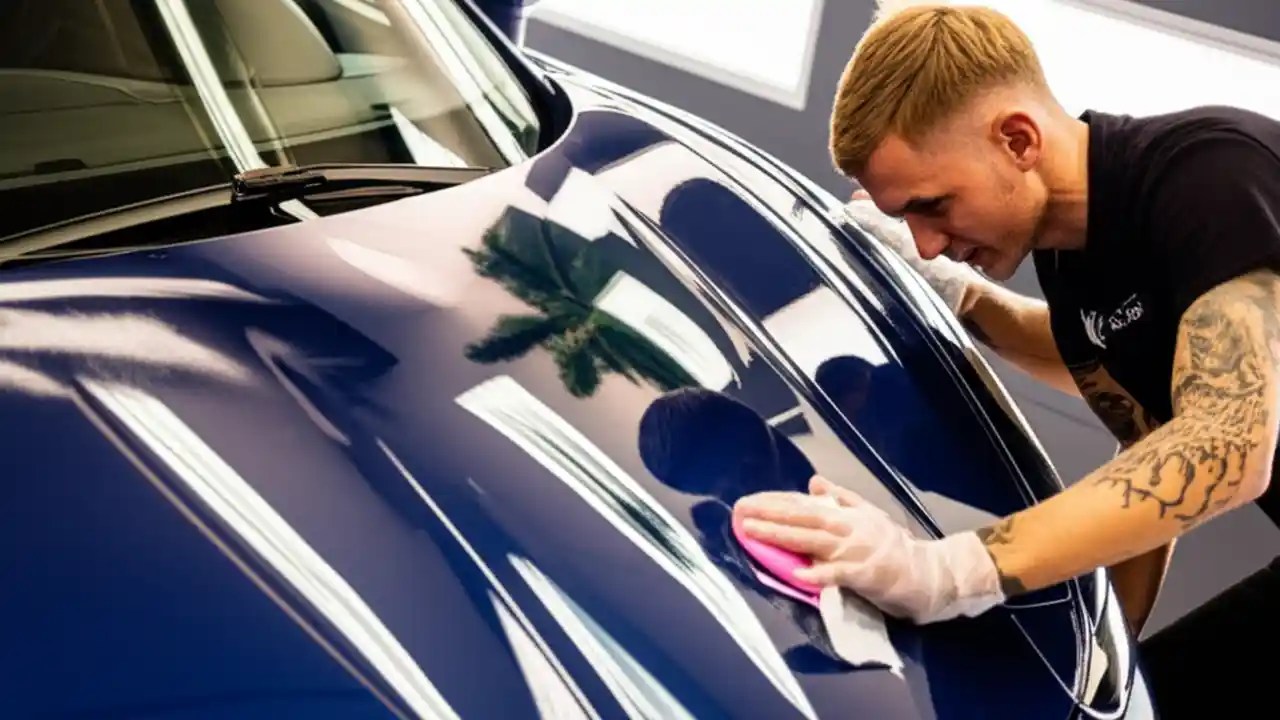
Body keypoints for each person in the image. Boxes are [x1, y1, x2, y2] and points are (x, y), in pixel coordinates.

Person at [731, 2, 1280, 716]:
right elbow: (1149, 447)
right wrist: (1100, 668)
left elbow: (1224, 445)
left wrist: (945, 571)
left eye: (934, 206)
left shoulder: (1211, 177)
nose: (927, 242)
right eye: (908, 222)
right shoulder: (1074, 254)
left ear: (1017, 139)